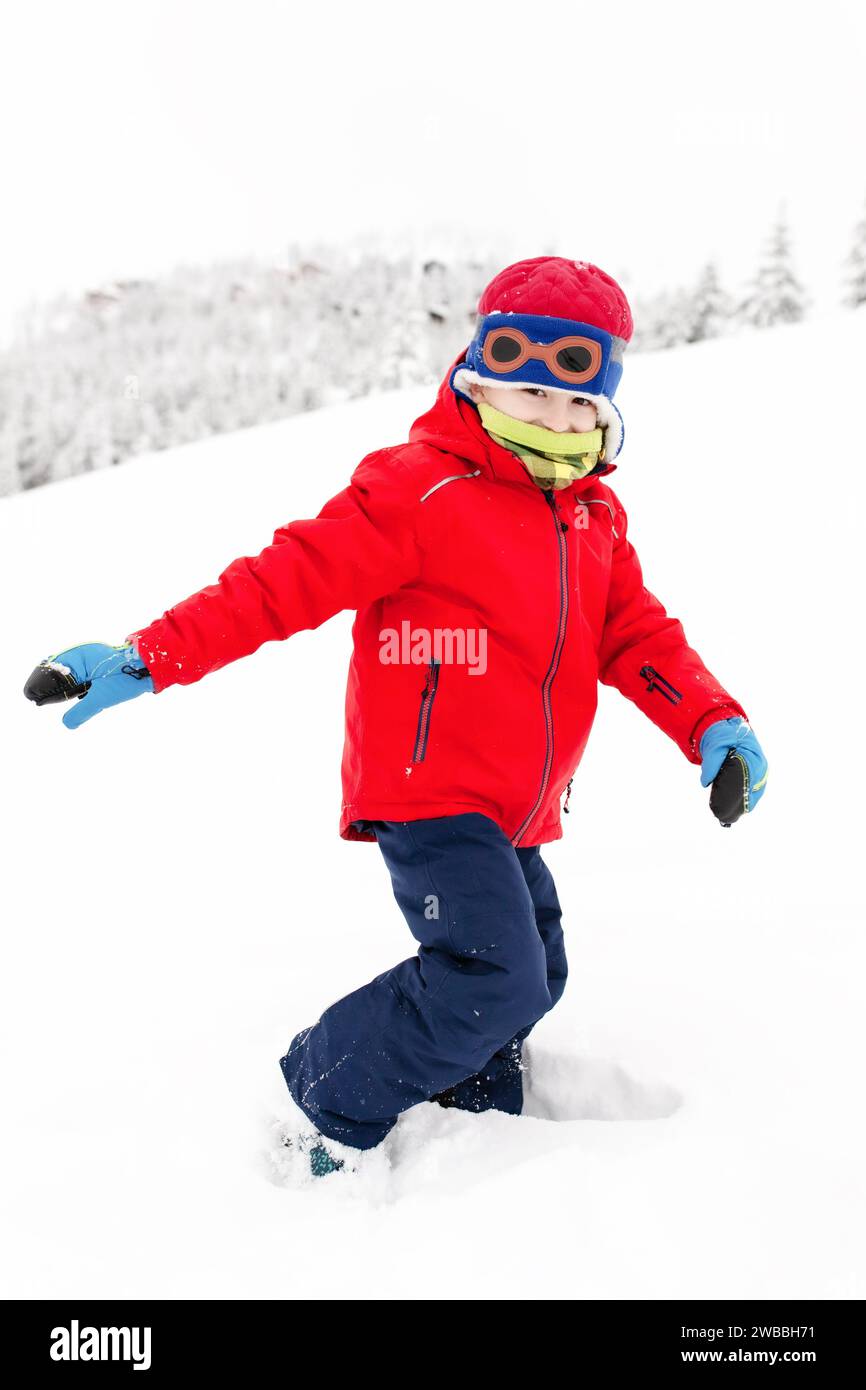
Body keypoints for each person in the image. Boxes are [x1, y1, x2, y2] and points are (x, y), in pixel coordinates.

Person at [24, 256, 768, 1178]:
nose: (555, 416)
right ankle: (317, 1100)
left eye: (577, 402)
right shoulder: (419, 488)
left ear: (604, 402)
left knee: (536, 970)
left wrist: (713, 723)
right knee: (492, 978)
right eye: (528, 392)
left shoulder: (592, 517)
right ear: (478, 374)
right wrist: (150, 654)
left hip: (516, 804)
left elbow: (640, 639)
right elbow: (277, 584)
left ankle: (470, 1107)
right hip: (431, 791)